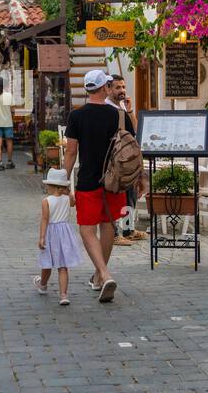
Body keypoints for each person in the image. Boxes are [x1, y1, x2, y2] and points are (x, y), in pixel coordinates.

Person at [63, 70, 134, 303]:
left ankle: (103, 273)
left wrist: (64, 180)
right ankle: (98, 276)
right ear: (105, 88)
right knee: (109, 226)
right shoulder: (119, 116)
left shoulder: (77, 116)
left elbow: (71, 151)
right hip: (115, 181)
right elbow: (133, 144)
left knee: (86, 228)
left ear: (87, 89)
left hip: (88, 180)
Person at [105, 76, 147, 245]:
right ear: (109, 89)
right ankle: (114, 233)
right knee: (114, 195)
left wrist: (130, 110)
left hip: (127, 160)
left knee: (131, 195)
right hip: (114, 161)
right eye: (117, 87)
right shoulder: (107, 109)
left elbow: (136, 131)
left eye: (123, 86)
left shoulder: (122, 106)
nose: (122, 90)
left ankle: (128, 230)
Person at [34, 167, 83, 306]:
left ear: (50, 185)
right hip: (65, 232)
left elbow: (44, 219)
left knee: (47, 263)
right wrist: (70, 192)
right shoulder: (67, 199)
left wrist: (42, 237)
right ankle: (63, 295)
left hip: (51, 234)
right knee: (62, 266)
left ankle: (42, 285)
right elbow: (74, 202)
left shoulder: (46, 201)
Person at [0, 75, 15, 170]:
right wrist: (11, 118)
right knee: (9, 142)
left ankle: (0, 163)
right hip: (8, 123)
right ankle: (9, 162)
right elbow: (13, 111)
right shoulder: (9, 95)